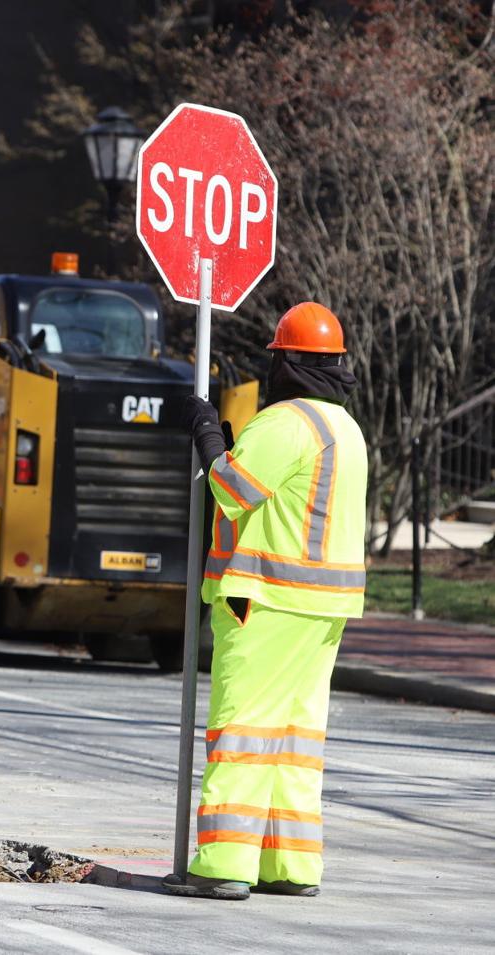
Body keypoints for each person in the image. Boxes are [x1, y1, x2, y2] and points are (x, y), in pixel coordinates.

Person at [166, 302, 368, 901]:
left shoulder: (286, 422)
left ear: (289, 364)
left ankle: (223, 864)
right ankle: (290, 865)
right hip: (324, 608)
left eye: (276, 360)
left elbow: (232, 488)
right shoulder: (346, 428)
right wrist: (229, 446)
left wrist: (206, 431)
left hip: (265, 601)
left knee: (244, 731)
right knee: (295, 738)